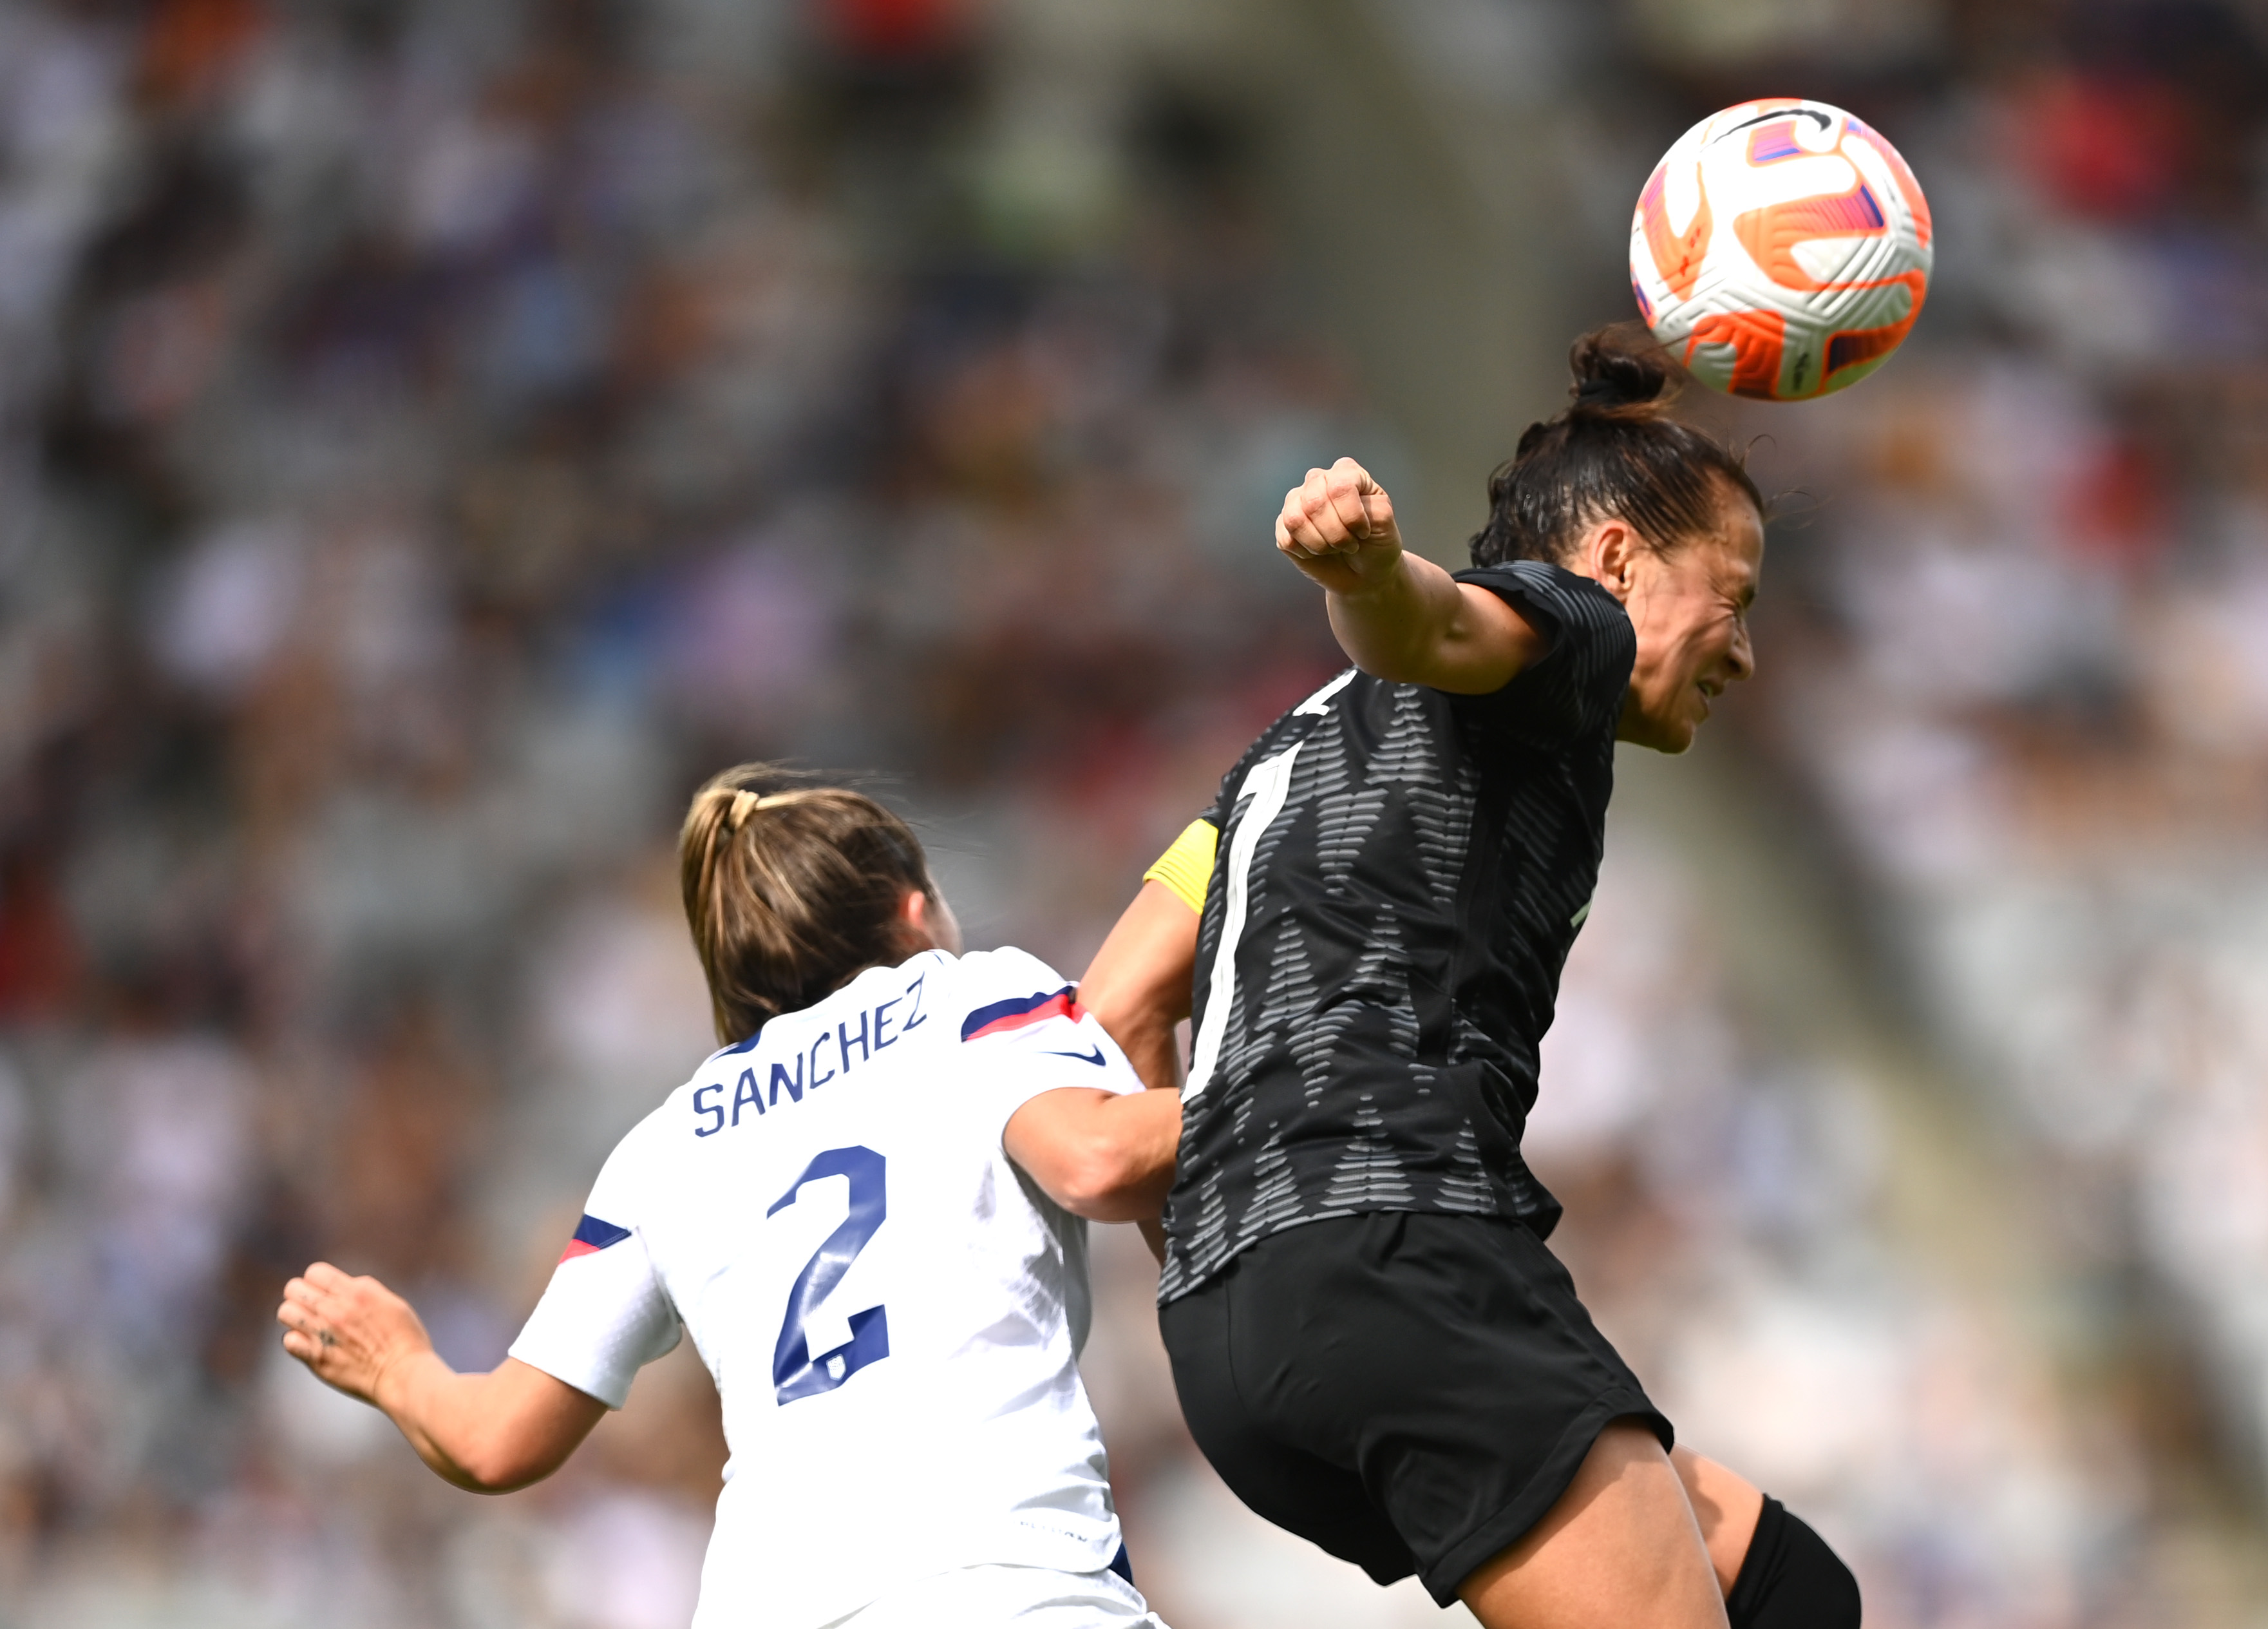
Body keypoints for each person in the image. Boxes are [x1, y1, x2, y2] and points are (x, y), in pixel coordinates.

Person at [1079, 326, 1860, 1629]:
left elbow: (1115, 1007)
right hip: (1401, 1249)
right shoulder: (1575, 631)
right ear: (1617, 562)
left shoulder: (1274, 756)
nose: (1745, 652)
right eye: (1733, 600)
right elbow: (1429, 622)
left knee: (1785, 1592)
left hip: (1229, 1336)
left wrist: (1226, 1239)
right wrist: (1368, 571)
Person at [278, 767, 1183, 1628]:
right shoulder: (971, 995)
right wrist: (1301, 1085)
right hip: (996, 1583)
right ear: (913, 912)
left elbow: (497, 1438)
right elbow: (1097, 1159)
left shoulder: (664, 1145)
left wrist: (397, 1365)